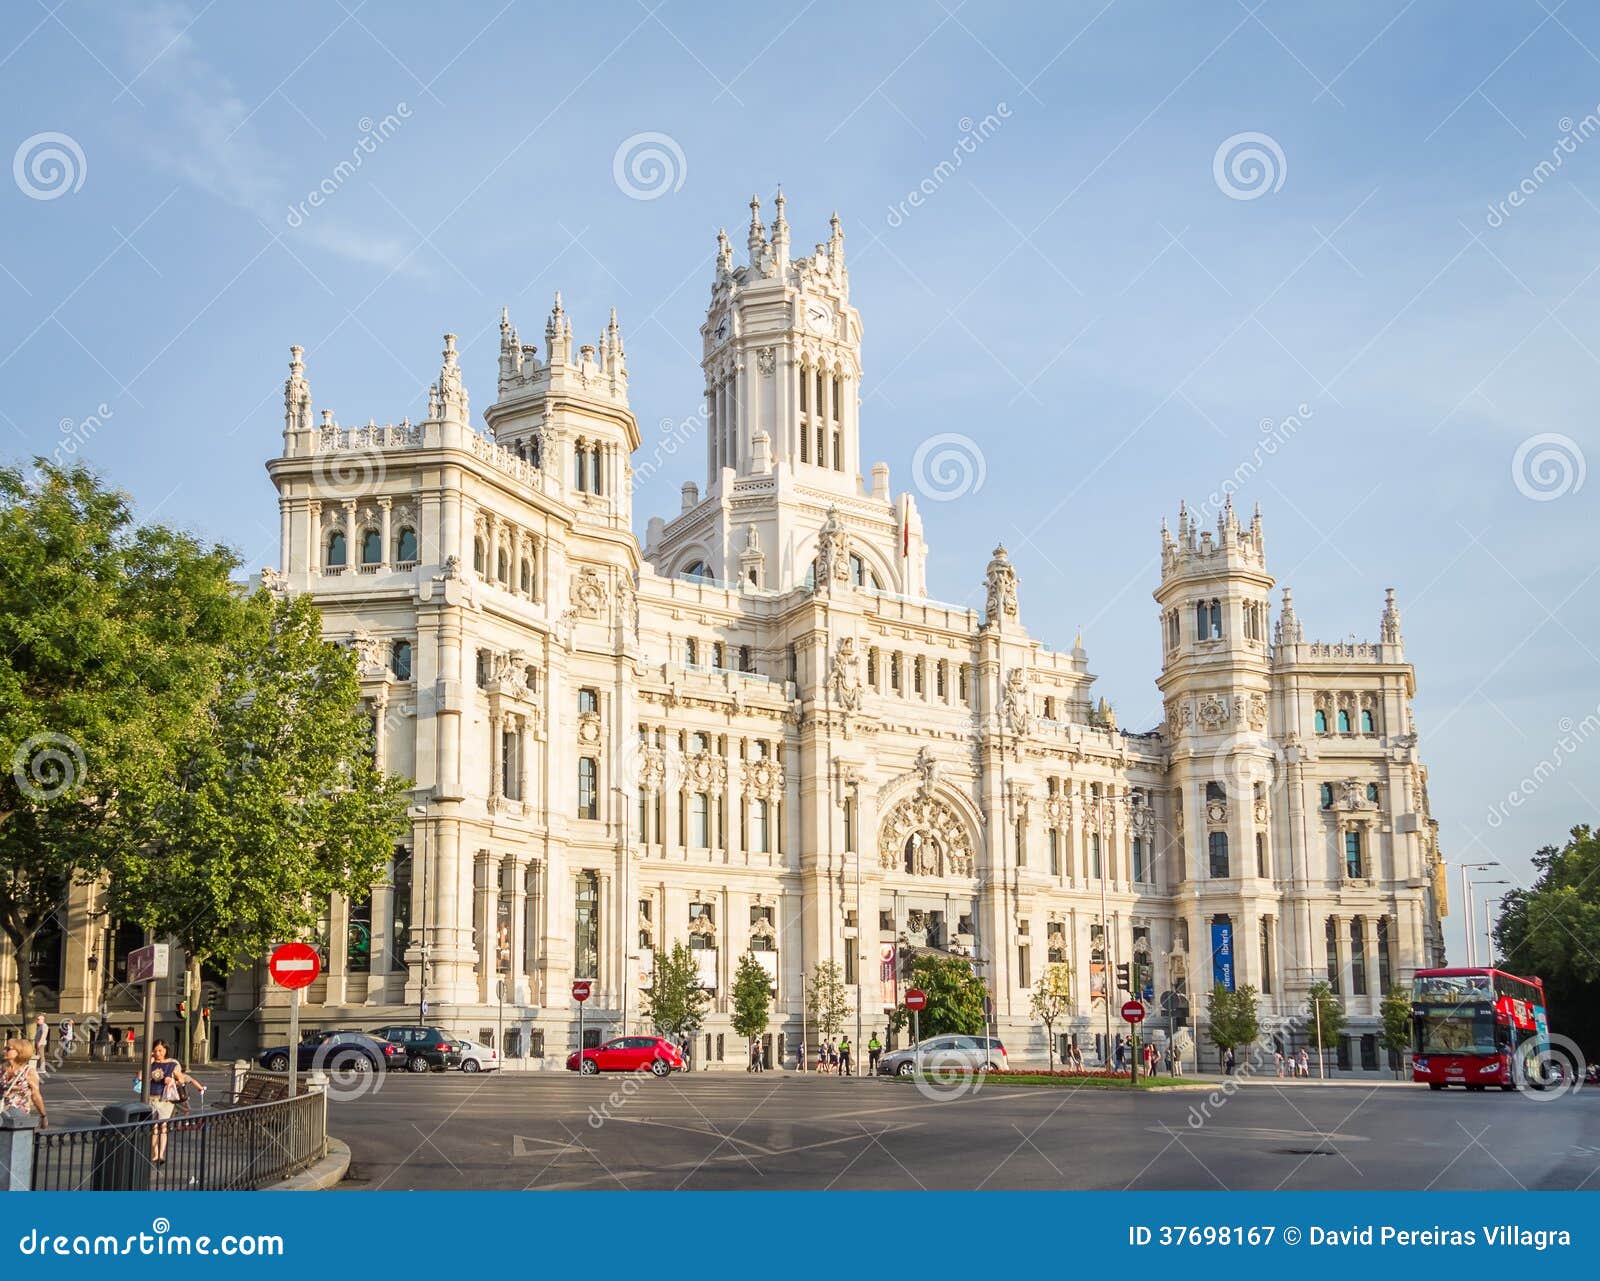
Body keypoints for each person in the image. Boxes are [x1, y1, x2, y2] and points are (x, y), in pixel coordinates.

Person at [142, 1039, 203, 1165]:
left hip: (165, 1100)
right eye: (155, 1050)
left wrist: (171, 1081)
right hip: (151, 1098)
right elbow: (140, 1077)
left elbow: (181, 1080)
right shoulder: (151, 1063)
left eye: (160, 1050)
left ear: (165, 1050)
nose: (158, 1053)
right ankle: (155, 1152)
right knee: (154, 1127)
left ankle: (161, 1154)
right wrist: (149, 1061)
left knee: (163, 1126)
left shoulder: (171, 1064)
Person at [2, 1038, 48, 1128]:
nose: (4, 1051)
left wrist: (43, 1116)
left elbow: (35, 1095)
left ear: (19, 1052)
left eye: (8, 1049)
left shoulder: (28, 1072)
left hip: (19, 1116)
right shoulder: (1, 1069)